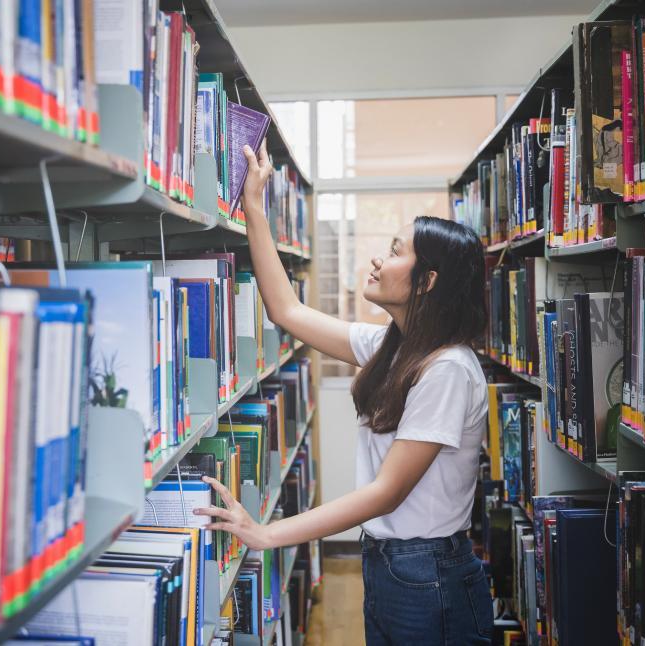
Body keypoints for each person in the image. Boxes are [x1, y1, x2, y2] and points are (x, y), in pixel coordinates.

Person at [192, 142, 493, 645]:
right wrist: (254, 209)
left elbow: (386, 492)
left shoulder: (448, 371)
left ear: (428, 281)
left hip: (428, 575)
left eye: (397, 252)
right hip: (392, 567)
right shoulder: (390, 347)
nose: (379, 258)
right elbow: (286, 312)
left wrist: (267, 534)